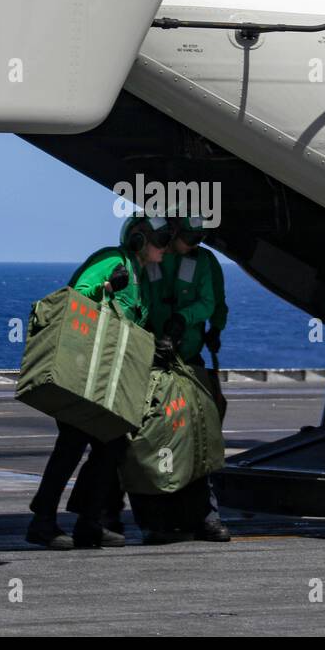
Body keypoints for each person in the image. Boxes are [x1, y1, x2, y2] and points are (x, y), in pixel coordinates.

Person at [26, 213, 173, 550]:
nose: (165, 248)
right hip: (83, 373)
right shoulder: (111, 260)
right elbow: (75, 297)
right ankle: (43, 519)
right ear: (139, 240)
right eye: (159, 241)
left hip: (108, 379)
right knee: (73, 444)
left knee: (112, 446)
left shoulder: (140, 275)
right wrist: (106, 287)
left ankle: (88, 521)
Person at [142, 215, 231, 543]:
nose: (193, 245)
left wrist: (186, 321)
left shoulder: (203, 261)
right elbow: (143, 301)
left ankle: (206, 516)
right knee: (157, 441)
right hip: (154, 361)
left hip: (189, 361)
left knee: (199, 439)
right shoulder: (154, 257)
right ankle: (159, 520)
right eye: (188, 237)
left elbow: (211, 302)